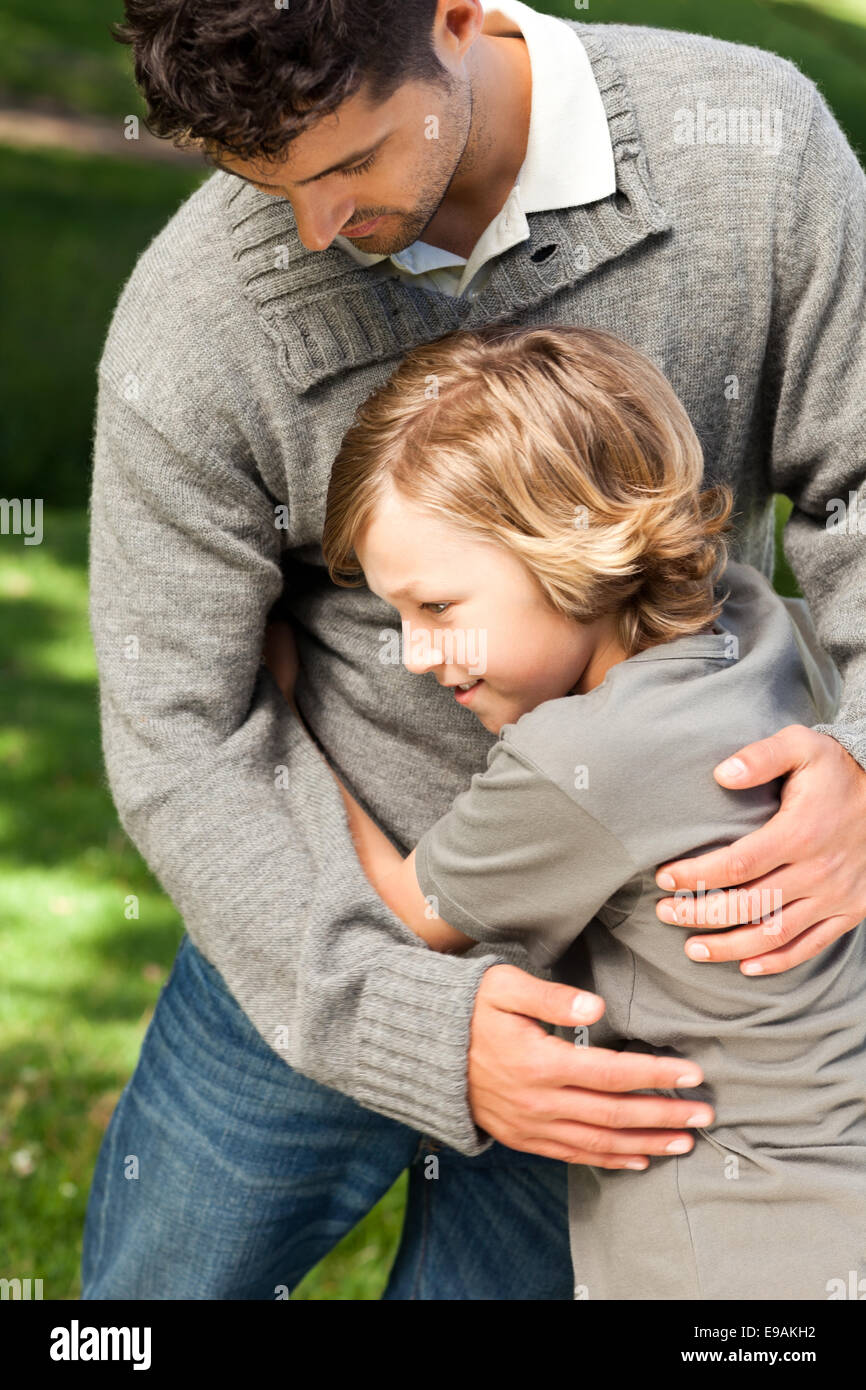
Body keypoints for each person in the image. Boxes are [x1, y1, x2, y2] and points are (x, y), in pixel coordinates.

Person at [82, 0, 866, 1299]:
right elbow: (175, 736)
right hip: (309, 934)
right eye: (261, 182)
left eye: (346, 165)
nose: (308, 231)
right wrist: (399, 1019)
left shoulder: (758, 149)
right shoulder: (191, 327)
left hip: (617, 980)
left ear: (455, 15)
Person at [275, 321, 859, 1300]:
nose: (415, 656)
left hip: (727, 1245)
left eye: (437, 607)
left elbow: (405, 908)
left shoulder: (582, 759)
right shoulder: (750, 616)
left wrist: (287, 729)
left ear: (570, 549)